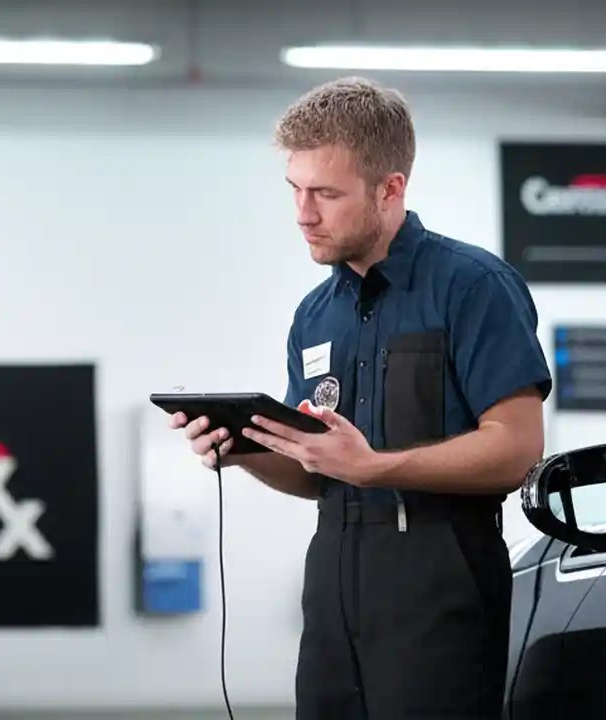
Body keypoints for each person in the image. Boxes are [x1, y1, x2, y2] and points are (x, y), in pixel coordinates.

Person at [169, 76, 552, 719]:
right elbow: (313, 470)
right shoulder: (314, 316)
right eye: (295, 190)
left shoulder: (472, 287)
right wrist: (240, 448)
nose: (303, 213)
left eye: (325, 193)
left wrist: (375, 467)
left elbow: (516, 450)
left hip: (441, 582)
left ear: (390, 189)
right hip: (333, 586)